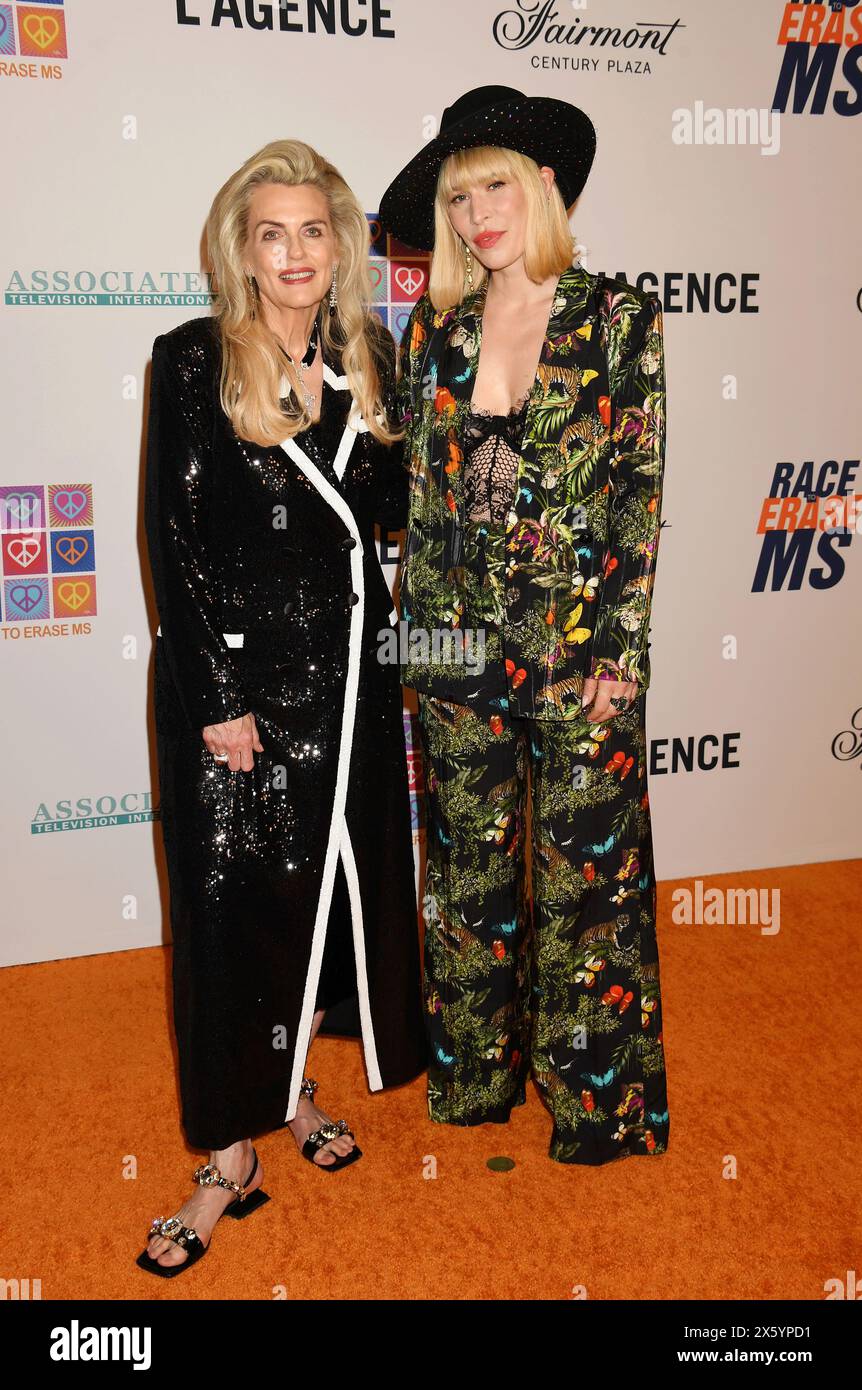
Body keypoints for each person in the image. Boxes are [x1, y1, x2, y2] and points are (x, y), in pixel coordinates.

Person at [138, 139, 426, 1276]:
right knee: (227, 916)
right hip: (243, 696)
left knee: (323, 902)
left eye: (315, 230)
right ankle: (225, 1158)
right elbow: (175, 536)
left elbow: (394, 511)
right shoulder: (194, 358)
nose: (296, 253)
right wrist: (216, 696)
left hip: (352, 682)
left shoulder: (372, 358)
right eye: (273, 232)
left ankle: (295, 1086)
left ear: (339, 243)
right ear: (240, 248)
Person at [378, 85, 671, 1165]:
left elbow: (638, 495)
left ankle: (598, 1104)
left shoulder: (618, 317)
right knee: (464, 874)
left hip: (578, 648)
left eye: (493, 185)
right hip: (454, 642)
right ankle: (475, 1078)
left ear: (544, 185)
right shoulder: (436, 328)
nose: (474, 215)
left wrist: (623, 656)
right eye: (457, 198)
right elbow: (435, 503)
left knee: (588, 886)